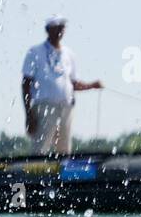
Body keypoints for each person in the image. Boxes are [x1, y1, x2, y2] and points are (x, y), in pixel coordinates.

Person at [20, 16, 103, 156]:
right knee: (40, 149)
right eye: (56, 27)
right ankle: (35, 176)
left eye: (62, 27)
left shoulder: (69, 54)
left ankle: (62, 177)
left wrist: (92, 85)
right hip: (44, 106)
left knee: (64, 150)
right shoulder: (35, 52)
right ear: (47, 30)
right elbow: (26, 84)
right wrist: (28, 113)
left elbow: (73, 83)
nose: (60, 30)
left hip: (66, 107)